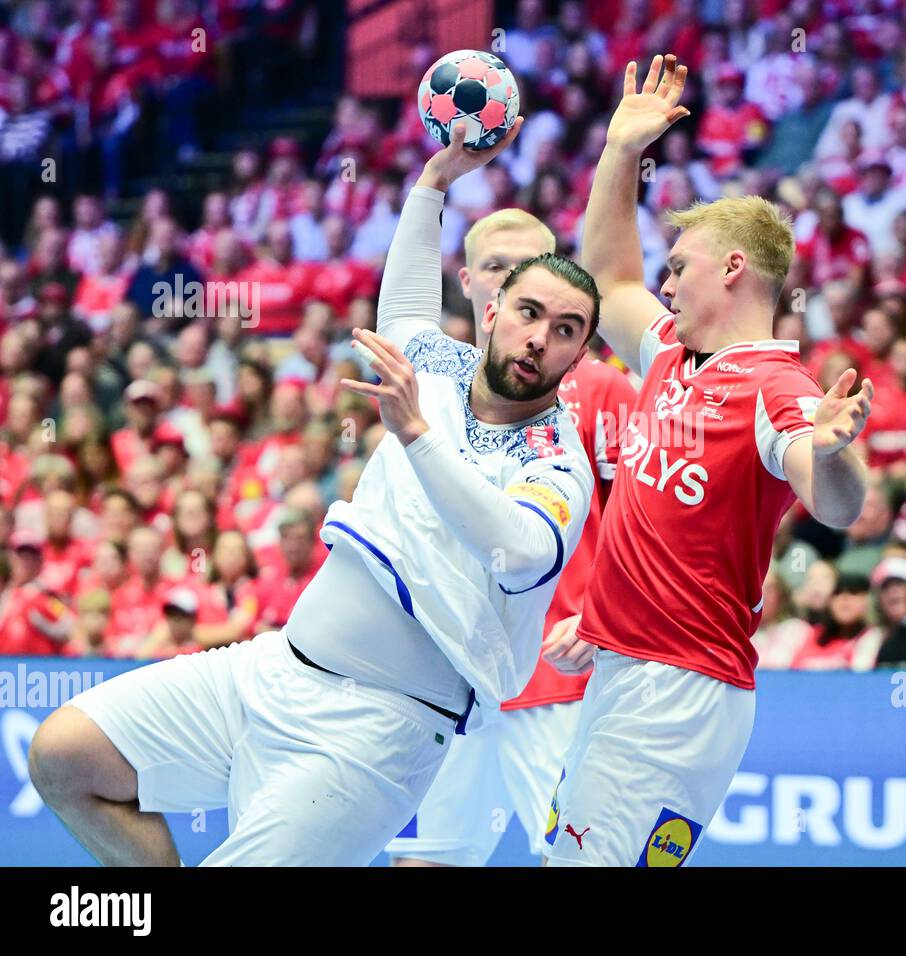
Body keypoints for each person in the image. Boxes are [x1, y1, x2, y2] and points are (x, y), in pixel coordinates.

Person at [28, 123, 601, 866]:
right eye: (528, 314)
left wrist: (419, 438)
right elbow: (403, 309)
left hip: (379, 734)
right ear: (491, 311)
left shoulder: (556, 458)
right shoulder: (436, 368)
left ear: (578, 353)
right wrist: (433, 182)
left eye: (565, 330)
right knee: (64, 757)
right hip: (270, 673)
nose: (538, 339)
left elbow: (521, 554)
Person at [547, 55, 871, 867]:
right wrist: (621, 153)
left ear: (732, 269)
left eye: (680, 266)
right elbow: (609, 276)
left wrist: (833, 454)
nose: (664, 283)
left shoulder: (776, 386)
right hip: (630, 671)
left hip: (676, 689)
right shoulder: (667, 355)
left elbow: (834, 505)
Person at [387, 207, 637, 868]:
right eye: (503, 268)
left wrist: (600, 613)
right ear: (477, 286)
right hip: (444, 674)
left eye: (537, 267)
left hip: (556, 678)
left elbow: (646, 520)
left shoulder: (604, 390)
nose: (522, 282)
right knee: (428, 858)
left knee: (583, 858)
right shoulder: (434, 380)